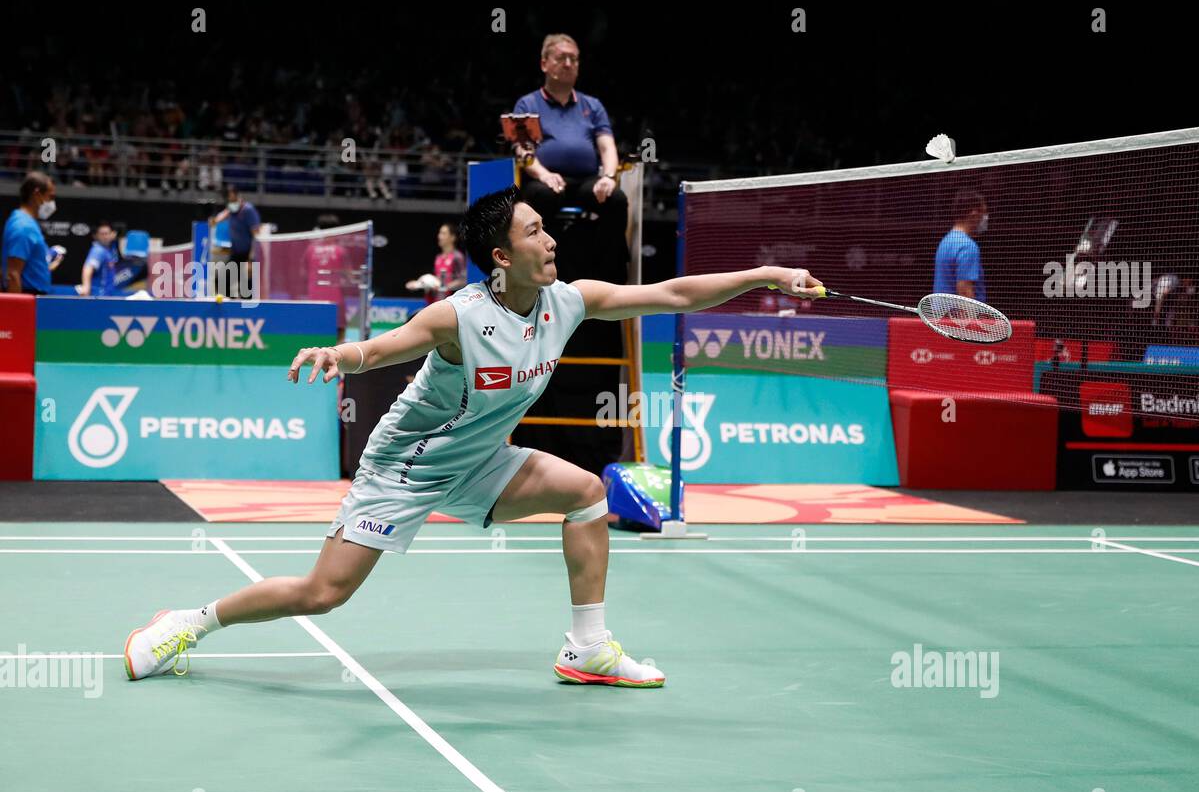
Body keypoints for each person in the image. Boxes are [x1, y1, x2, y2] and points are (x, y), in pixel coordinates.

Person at [123, 184, 822, 686]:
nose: (550, 240)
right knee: (323, 594)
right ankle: (191, 621)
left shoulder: (569, 303)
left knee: (585, 494)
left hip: (482, 461)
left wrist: (768, 275)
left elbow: (672, 294)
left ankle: (589, 648)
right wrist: (339, 356)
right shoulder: (460, 318)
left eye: (548, 229)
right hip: (405, 467)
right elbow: (389, 345)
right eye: (533, 233)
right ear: (499, 255)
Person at [512, 33, 629, 282]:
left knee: (616, 199)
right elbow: (523, 151)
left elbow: (607, 147)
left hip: (588, 181)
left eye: (574, 59)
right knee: (541, 197)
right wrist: (544, 174)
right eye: (562, 58)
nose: (568, 64)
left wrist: (608, 177)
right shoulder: (527, 103)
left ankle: (607, 277)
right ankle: (546, 272)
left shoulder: (593, 105)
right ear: (544, 63)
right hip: (545, 180)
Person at [2, 172, 63, 295]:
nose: (52, 204)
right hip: (26, 298)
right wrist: (17, 311)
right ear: (37, 194)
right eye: (50, 197)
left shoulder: (29, 223)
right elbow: (13, 274)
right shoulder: (23, 227)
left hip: (35, 297)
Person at [934, 191, 989, 303]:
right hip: (958, 318)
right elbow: (965, 292)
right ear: (974, 213)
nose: (985, 217)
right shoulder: (967, 246)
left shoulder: (946, 241)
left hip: (940, 317)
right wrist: (971, 320)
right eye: (984, 212)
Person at [208, 184, 261, 297]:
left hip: (249, 255)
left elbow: (256, 238)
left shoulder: (248, 210)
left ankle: (248, 313)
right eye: (228, 199)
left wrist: (251, 260)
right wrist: (214, 220)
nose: (230, 200)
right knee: (221, 281)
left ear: (238, 196)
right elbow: (219, 218)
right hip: (236, 255)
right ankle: (231, 308)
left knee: (246, 291)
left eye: (232, 197)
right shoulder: (231, 209)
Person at [405, 222, 467, 304]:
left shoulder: (457, 257)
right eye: (439, 233)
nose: (439, 236)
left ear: (453, 237)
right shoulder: (438, 258)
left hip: (450, 303)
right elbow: (437, 281)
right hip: (435, 302)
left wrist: (445, 287)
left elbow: (463, 280)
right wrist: (418, 284)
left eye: (443, 233)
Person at [78, 220, 119, 296]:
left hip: (107, 294)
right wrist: (86, 287)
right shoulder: (98, 250)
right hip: (98, 295)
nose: (105, 237)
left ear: (112, 234)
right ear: (96, 236)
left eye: (107, 234)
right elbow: (88, 268)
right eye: (102, 234)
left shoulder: (110, 249)